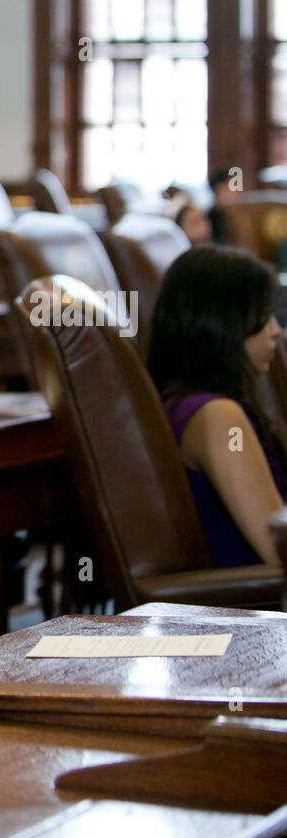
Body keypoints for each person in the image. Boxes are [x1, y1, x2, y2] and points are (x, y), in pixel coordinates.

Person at [148, 245, 286, 567]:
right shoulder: (218, 417)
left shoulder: (180, 398)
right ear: (221, 324)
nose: (276, 330)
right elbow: (279, 551)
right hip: (252, 607)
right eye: (262, 317)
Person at [205, 166, 238, 244]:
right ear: (219, 188)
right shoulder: (210, 217)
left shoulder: (234, 213)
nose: (236, 190)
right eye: (232, 186)